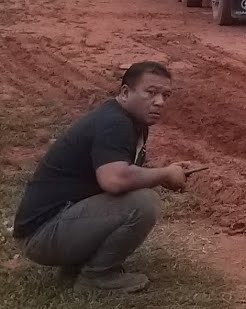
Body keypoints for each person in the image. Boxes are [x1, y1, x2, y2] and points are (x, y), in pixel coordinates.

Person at [10, 62, 198, 293]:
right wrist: (165, 174)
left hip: (49, 227)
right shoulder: (114, 123)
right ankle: (97, 277)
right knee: (143, 202)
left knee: (137, 193)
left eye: (165, 95)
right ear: (125, 92)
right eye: (151, 92)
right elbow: (115, 180)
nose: (160, 101)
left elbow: (123, 173)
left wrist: (166, 172)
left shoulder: (128, 121)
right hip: (42, 236)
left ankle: (79, 264)